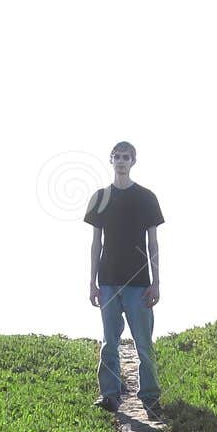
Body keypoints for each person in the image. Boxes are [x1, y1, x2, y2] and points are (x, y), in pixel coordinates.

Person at [84, 142, 164, 415]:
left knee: (143, 342)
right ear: (110, 160)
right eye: (116, 157)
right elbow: (96, 244)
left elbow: (153, 244)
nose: (121, 161)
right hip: (107, 280)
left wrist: (156, 282)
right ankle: (110, 395)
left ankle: (150, 396)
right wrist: (91, 282)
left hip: (139, 282)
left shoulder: (147, 198)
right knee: (109, 342)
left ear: (133, 161)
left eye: (125, 157)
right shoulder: (100, 198)